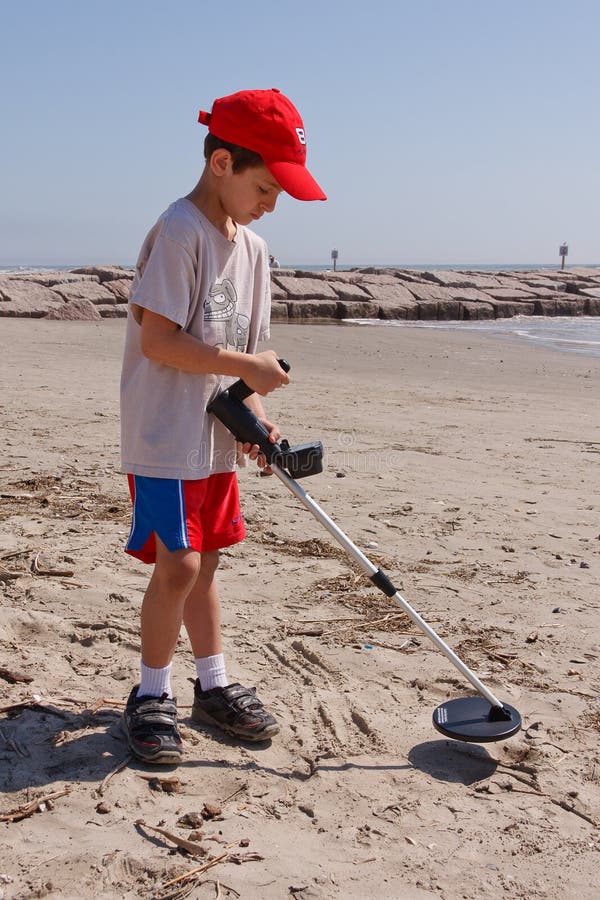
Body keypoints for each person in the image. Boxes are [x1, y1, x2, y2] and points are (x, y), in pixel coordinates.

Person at [119, 88, 326, 765]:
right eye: (265, 186)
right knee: (175, 564)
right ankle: (152, 694)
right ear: (221, 164)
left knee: (204, 565)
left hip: (213, 439)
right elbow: (160, 341)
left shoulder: (256, 251)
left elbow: (245, 363)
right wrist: (249, 367)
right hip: (163, 434)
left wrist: (257, 422)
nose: (272, 202)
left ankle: (213, 685)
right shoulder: (180, 231)